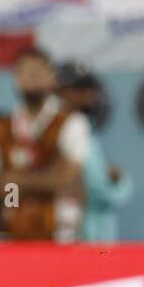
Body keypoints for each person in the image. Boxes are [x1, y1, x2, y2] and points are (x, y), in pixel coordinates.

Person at [0, 46, 90, 242]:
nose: (32, 78)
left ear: (52, 77)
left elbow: (65, 178)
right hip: (12, 234)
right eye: (26, 72)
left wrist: (17, 180)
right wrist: (43, 178)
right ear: (16, 79)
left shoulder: (70, 122)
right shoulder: (2, 128)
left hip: (60, 236)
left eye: (38, 72)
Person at [57, 61, 132, 243]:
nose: (88, 96)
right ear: (60, 91)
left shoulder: (85, 131)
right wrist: (122, 183)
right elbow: (100, 192)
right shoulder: (54, 131)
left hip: (94, 236)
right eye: (78, 89)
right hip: (79, 236)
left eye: (91, 89)